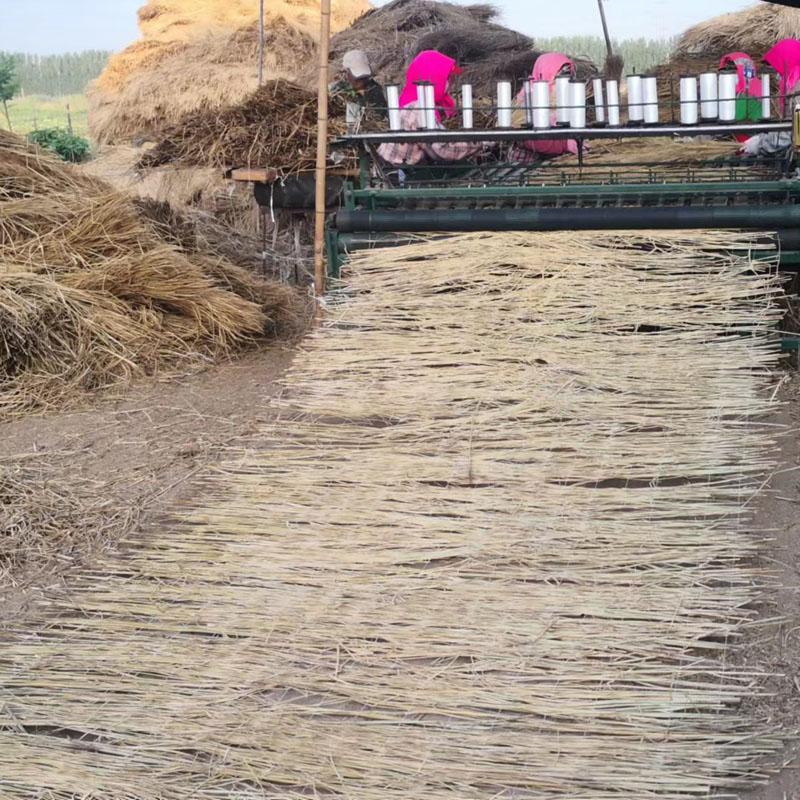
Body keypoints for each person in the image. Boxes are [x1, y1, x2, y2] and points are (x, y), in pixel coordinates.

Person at [377, 50, 484, 166]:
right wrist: (480, 142)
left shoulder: (409, 100)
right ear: (435, 78)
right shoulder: (419, 108)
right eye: (447, 78)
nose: (450, 84)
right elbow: (442, 149)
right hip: (401, 172)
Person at [510, 53, 579, 163]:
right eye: (557, 78)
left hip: (554, 161)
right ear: (545, 74)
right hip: (527, 164)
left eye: (567, 77)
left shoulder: (564, 100)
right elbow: (532, 140)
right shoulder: (529, 98)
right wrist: (565, 144)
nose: (563, 83)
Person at [739, 39, 800, 157]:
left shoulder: (797, 91)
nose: (777, 74)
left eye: (777, 67)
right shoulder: (792, 86)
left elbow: (797, 133)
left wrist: (760, 143)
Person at [329, 50, 387, 132]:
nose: (361, 80)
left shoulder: (374, 89)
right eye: (358, 78)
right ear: (347, 73)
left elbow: (379, 115)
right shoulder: (337, 90)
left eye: (364, 77)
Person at [719, 51, 763, 141]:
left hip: (750, 137)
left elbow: (735, 118)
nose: (730, 74)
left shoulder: (744, 93)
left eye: (733, 71)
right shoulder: (758, 85)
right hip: (757, 133)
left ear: (741, 71)